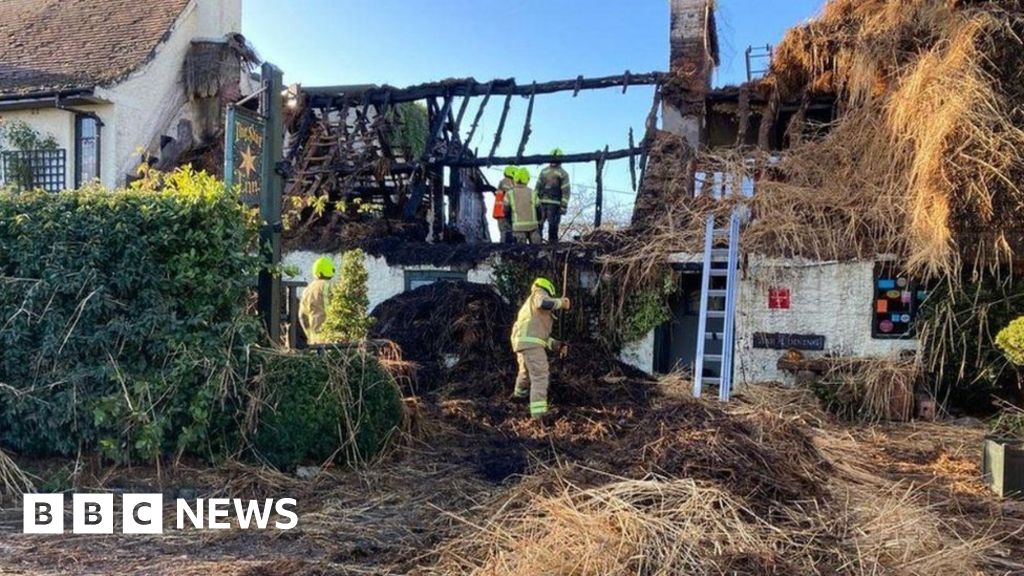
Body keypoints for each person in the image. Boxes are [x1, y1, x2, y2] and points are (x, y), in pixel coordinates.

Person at [510, 277, 572, 420]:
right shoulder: (539, 294)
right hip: (531, 346)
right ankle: (539, 415)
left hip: (522, 344)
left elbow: (540, 337)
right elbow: (543, 303)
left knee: (525, 374)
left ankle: (518, 399)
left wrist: (557, 346)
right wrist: (561, 303)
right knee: (540, 376)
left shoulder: (530, 310)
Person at [536, 148, 571, 243]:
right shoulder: (563, 173)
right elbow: (566, 191)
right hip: (554, 204)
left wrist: (535, 203)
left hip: (541, 203)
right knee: (553, 227)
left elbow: (537, 188)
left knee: (538, 226)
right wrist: (563, 206)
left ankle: (536, 245)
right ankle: (552, 246)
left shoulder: (543, 171)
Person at [299, 256, 334, 344]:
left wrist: (309, 334)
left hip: (315, 339)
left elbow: (302, 316)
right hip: (332, 335)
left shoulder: (307, 290)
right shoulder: (332, 287)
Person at [504, 167, 542, 245]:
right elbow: (539, 210)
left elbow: (506, 211)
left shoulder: (509, 194)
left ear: (515, 179)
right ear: (527, 179)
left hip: (518, 228)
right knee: (537, 250)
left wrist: (510, 223)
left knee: (520, 251)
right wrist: (538, 221)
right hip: (533, 227)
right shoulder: (533, 193)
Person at [493, 165, 516, 243]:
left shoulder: (504, 182)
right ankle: (506, 247)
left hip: (501, 211)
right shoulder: (508, 181)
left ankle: (504, 246)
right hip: (505, 211)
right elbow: (510, 194)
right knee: (507, 231)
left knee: (505, 231)